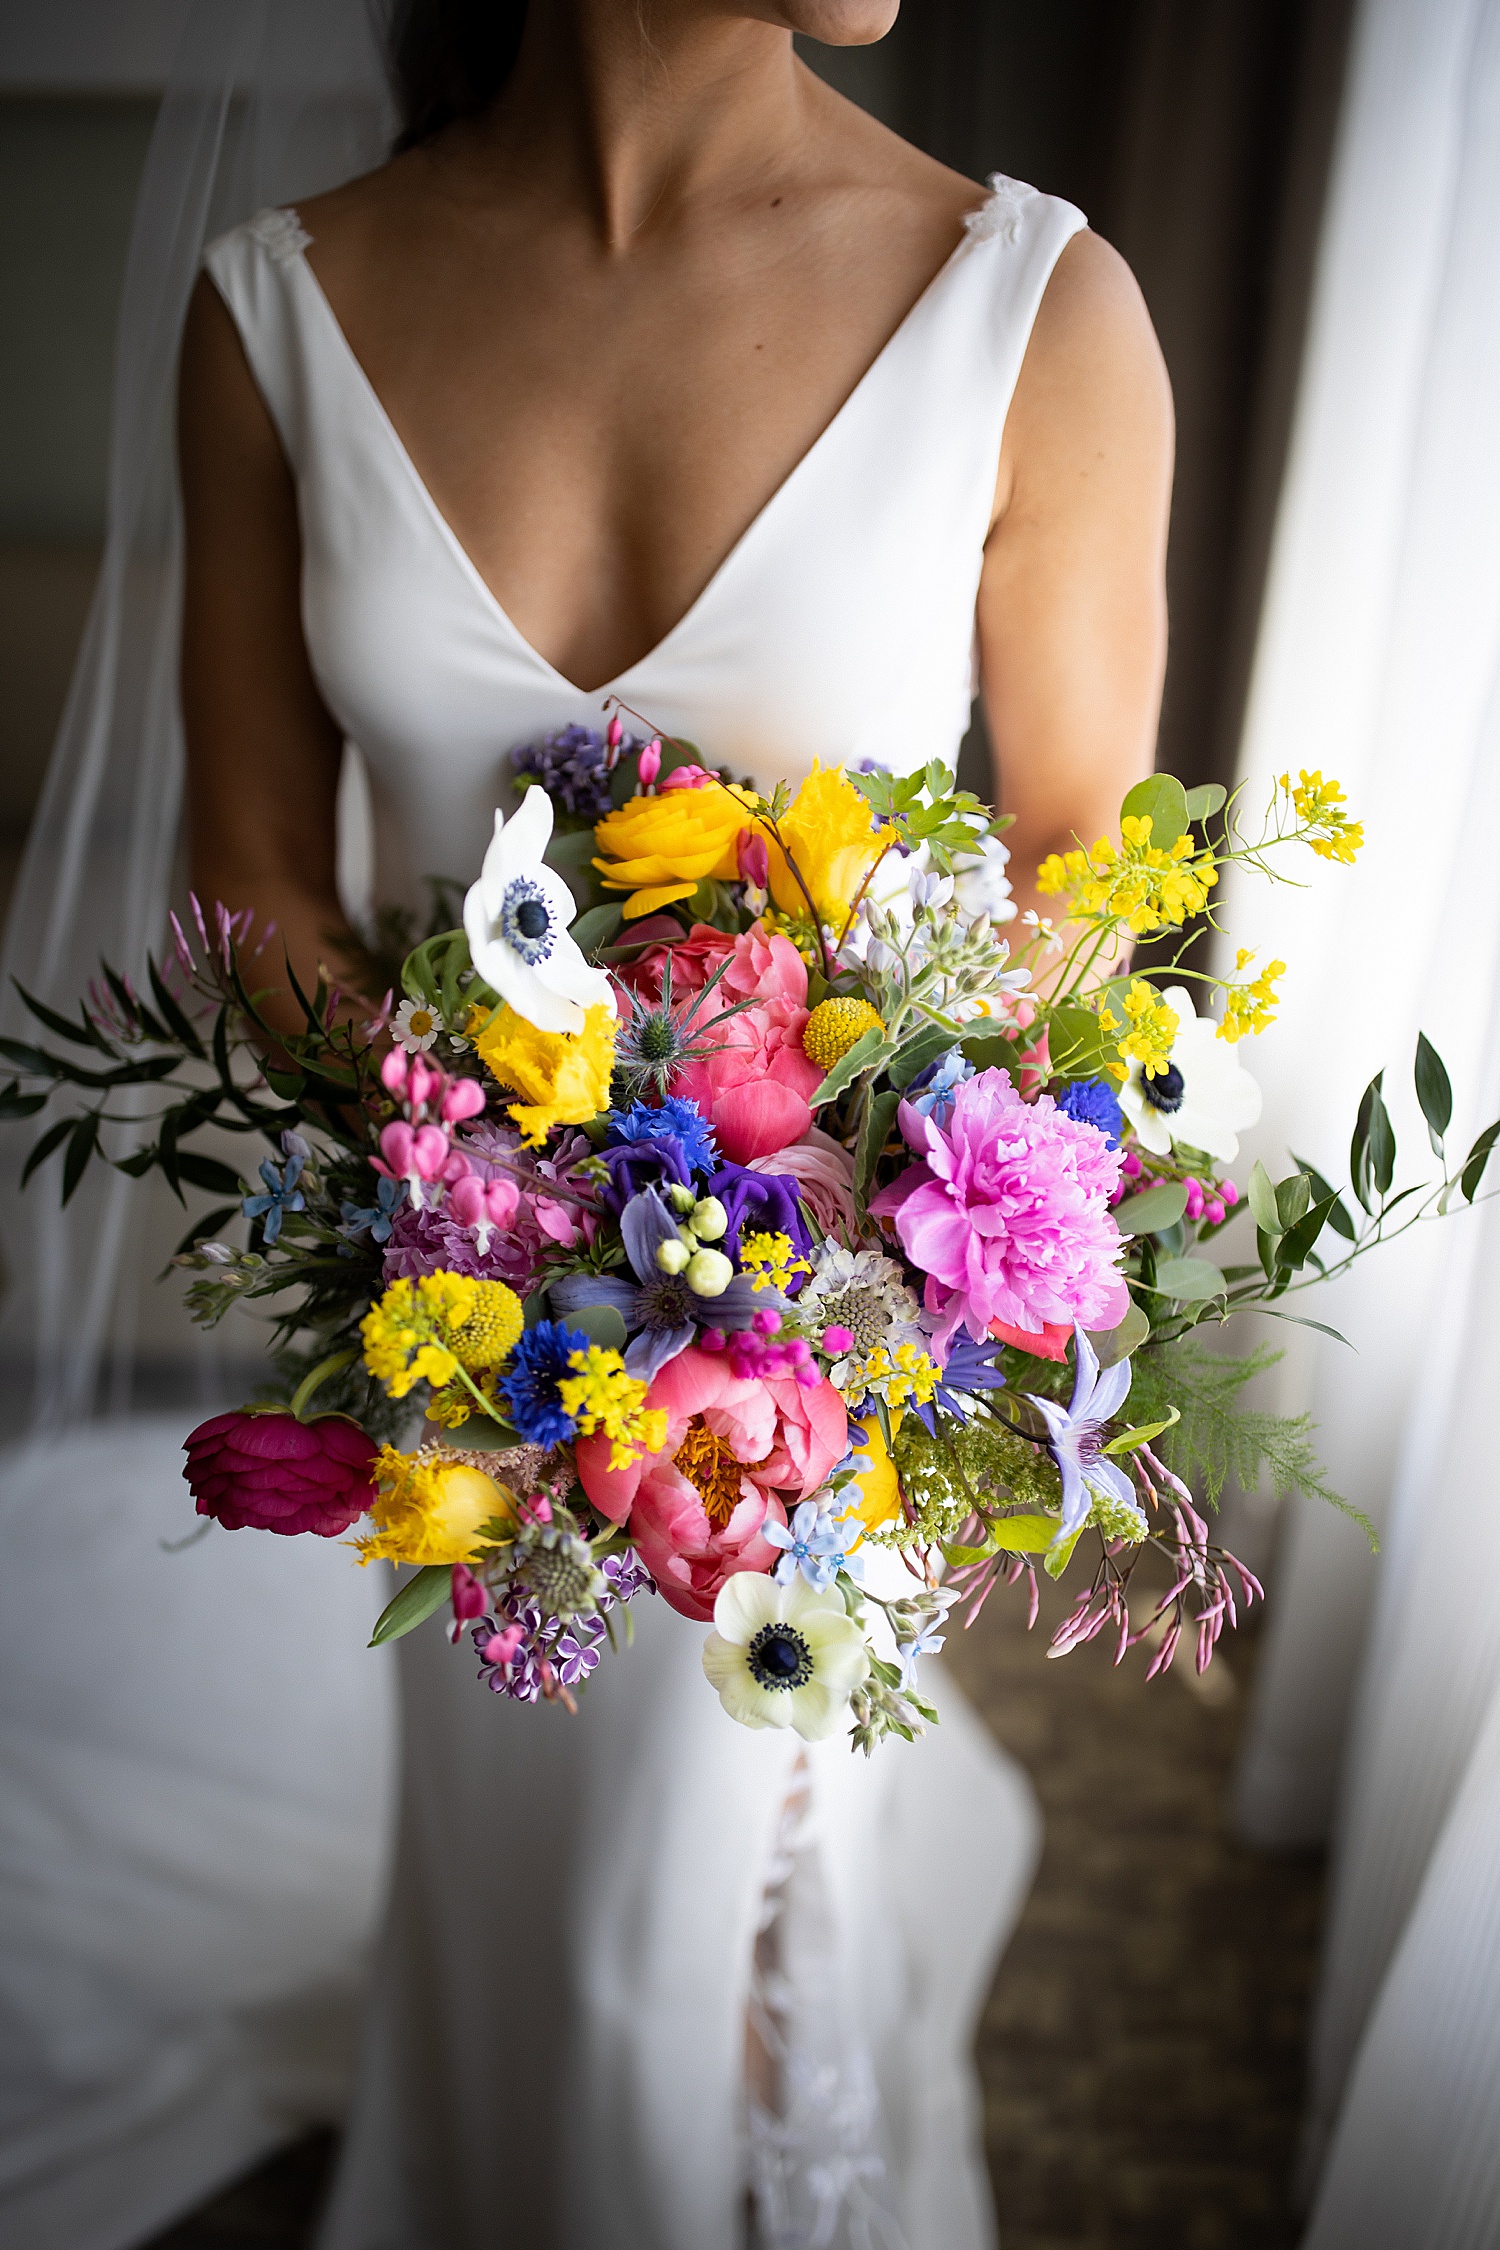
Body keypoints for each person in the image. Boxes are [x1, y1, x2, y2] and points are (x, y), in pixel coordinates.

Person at [178, 2, 1172, 2243]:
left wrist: (838, 1241)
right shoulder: (275, 306)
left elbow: (1081, 866)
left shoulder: (1032, 304)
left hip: (833, 1365)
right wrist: (476, 1189)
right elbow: (247, 867)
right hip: (459, 1351)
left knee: (703, 1938)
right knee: (536, 1895)